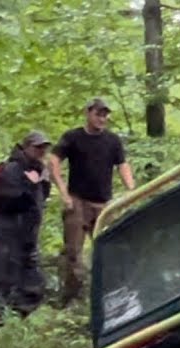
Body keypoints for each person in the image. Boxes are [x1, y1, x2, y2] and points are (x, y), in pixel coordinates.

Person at [49, 97, 136, 306]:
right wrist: (63, 192)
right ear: (88, 113)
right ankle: (72, 298)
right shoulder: (72, 137)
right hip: (78, 201)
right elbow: (53, 161)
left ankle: (113, 295)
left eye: (105, 114)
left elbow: (122, 165)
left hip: (104, 204)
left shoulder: (112, 141)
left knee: (111, 248)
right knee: (73, 252)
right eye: (98, 113)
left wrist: (133, 191)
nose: (102, 118)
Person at [0, 132, 52, 327]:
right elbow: (13, 199)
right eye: (37, 147)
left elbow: (42, 198)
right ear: (26, 147)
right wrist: (31, 184)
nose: (41, 151)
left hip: (28, 237)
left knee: (33, 284)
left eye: (44, 148)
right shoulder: (12, 169)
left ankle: (18, 323)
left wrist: (41, 182)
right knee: (4, 281)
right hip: (8, 234)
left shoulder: (38, 170)